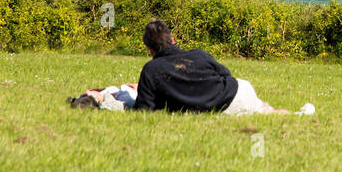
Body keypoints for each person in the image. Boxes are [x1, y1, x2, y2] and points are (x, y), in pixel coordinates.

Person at [132, 20, 312, 116]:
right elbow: (226, 74)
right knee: (265, 111)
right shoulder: (198, 54)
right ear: (172, 40)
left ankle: (295, 115)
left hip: (219, 107)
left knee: (263, 113)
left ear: (149, 49)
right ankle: (297, 115)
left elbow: (144, 110)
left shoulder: (151, 70)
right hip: (238, 92)